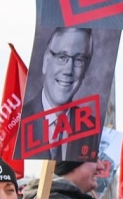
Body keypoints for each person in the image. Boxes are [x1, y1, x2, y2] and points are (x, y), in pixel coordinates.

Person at [22, 27, 101, 162]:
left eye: (79, 60)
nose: (68, 70)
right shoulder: (18, 122)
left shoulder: (93, 131)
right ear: (46, 61)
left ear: (86, 68)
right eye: (62, 57)